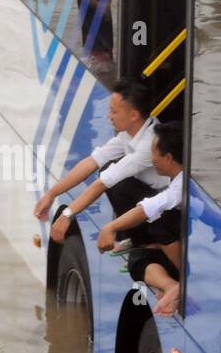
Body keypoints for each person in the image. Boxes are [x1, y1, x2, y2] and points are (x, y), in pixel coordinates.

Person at [34, 78, 168, 245]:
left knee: (118, 183)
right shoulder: (129, 133)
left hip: (167, 212)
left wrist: (67, 215)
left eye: (113, 111)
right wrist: (51, 194)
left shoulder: (149, 144)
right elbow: (92, 161)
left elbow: (102, 183)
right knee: (106, 168)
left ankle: (145, 241)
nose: (109, 116)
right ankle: (137, 237)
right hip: (148, 201)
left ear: (133, 115)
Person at [98, 122, 184, 316]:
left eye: (155, 153)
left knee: (161, 218)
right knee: (137, 259)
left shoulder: (180, 189)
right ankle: (171, 285)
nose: (152, 159)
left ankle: (183, 281)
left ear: (169, 158)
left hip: (191, 261)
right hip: (188, 248)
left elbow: (146, 209)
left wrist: (111, 227)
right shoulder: (180, 180)